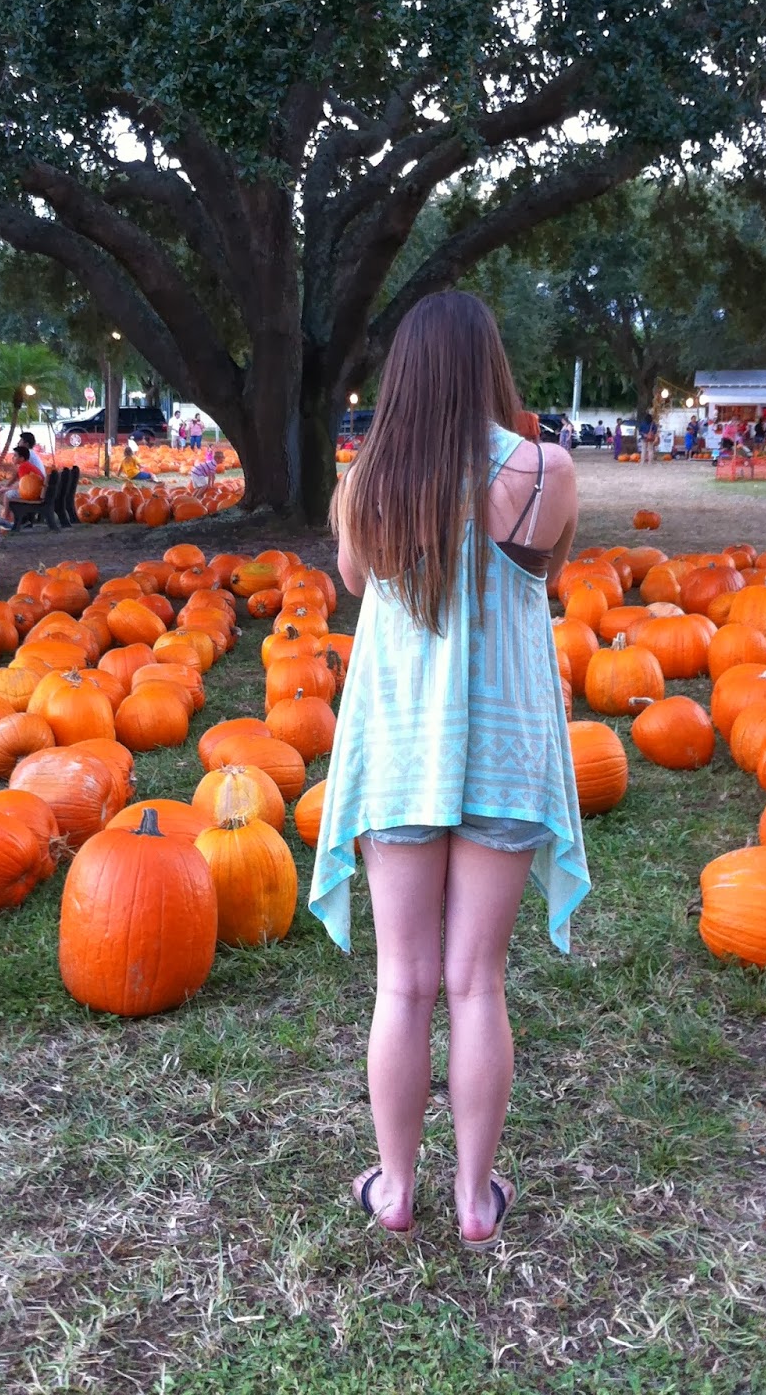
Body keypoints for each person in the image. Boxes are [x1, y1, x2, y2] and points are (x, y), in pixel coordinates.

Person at [312, 291, 588, 1245]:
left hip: (398, 752)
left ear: (402, 377)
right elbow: (543, 571)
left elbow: (354, 583)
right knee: (476, 982)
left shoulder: (365, 485)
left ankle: (393, 1191)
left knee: (404, 983)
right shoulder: (545, 469)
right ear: (488, 366)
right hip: (504, 753)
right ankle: (474, 1200)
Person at [0, 444, 43, 526]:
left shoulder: (23, 466)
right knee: (7, 493)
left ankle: (5, 518)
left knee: (7, 495)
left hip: (34, 493)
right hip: (38, 492)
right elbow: (22, 483)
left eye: (15, 456)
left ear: (22, 458)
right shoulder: (26, 465)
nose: (13, 457)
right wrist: (7, 487)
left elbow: (21, 485)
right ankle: (21, 518)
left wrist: (5, 489)